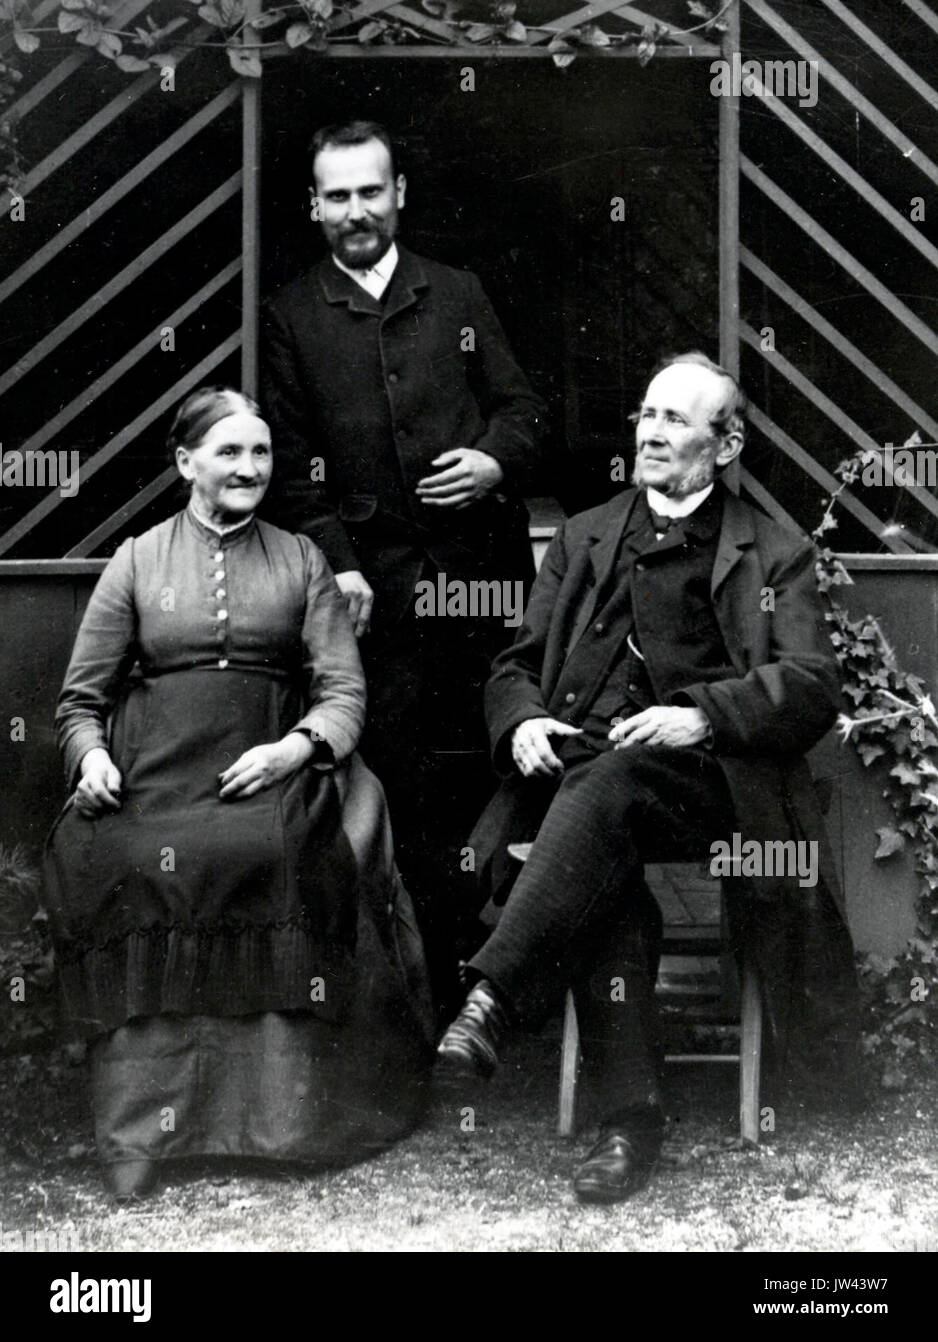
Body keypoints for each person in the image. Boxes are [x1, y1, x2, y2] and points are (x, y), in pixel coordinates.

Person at [437, 353, 861, 1204]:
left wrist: (704, 714)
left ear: (727, 441)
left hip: (716, 787)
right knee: (606, 859)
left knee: (614, 784)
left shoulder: (773, 551)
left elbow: (814, 683)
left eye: (675, 420)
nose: (651, 432)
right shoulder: (588, 534)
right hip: (588, 787)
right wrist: (521, 721)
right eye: (645, 415)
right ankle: (631, 1124)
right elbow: (513, 663)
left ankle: (491, 995)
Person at [42, 387, 434, 1202]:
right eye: (229, 452)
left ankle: (285, 1125)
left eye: (260, 453)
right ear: (186, 463)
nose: (249, 468)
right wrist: (89, 761)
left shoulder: (300, 558)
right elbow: (80, 701)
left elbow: (342, 696)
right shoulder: (138, 560)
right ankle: (146, 1132)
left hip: (271, 766)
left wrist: (294, 748)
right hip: (154, 773)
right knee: (128, 860)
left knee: (278, 852)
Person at [260, 120, 550, 1013]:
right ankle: (417, 996)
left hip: (483, 579)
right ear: (314, 207)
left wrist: (498, 459)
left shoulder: (457, 294)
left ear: (399, 195)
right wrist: (340, 566)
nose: (356, 211)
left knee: (498, 767)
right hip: (375, 596)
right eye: (337, 196)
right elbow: (293, 469)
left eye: (369, 192)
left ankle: (505, 983)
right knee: (400, 781)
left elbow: (526, 410)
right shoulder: (292, 316)